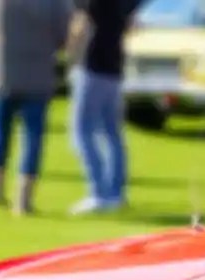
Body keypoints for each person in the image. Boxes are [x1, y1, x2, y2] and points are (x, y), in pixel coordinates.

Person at [0, 0, 72, 215]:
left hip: (6, 72)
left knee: (0, 133)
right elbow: (63, 36)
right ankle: (23, 199)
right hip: (38, 73)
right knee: (32, 137)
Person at [68, 0, 143, 215]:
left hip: (93, 65)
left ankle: (99, 192)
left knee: (82, 131)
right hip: (114, 66)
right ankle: (115, 193)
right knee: (112, 132)